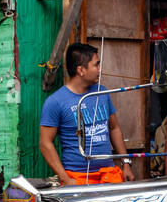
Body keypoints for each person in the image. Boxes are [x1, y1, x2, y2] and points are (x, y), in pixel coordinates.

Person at [40, 42, 135, 185]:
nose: (100, 69)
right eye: (96, 65)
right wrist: (65, 178)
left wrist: (126, 163)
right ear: (81, 70)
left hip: (108, 175)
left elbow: (114, 128)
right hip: (77, 177)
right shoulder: (55, 102)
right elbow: (45, 143)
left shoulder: (102, 92)